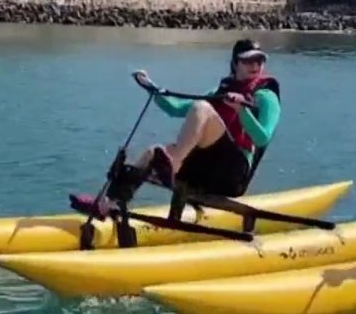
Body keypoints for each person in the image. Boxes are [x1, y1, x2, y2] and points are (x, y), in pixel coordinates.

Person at [91, 39, 282, 213]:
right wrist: (150, 87)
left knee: (201, 108)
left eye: (259, 61)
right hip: (205, 169)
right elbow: (175, 108)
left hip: (233, 174)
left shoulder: (266, 97)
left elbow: (263, 137)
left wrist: (242, 110)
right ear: (235, 64)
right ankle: (110, 203)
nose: (256, 65)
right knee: (152, 152)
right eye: (248, 61)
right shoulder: (221, 91)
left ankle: (172, 164)